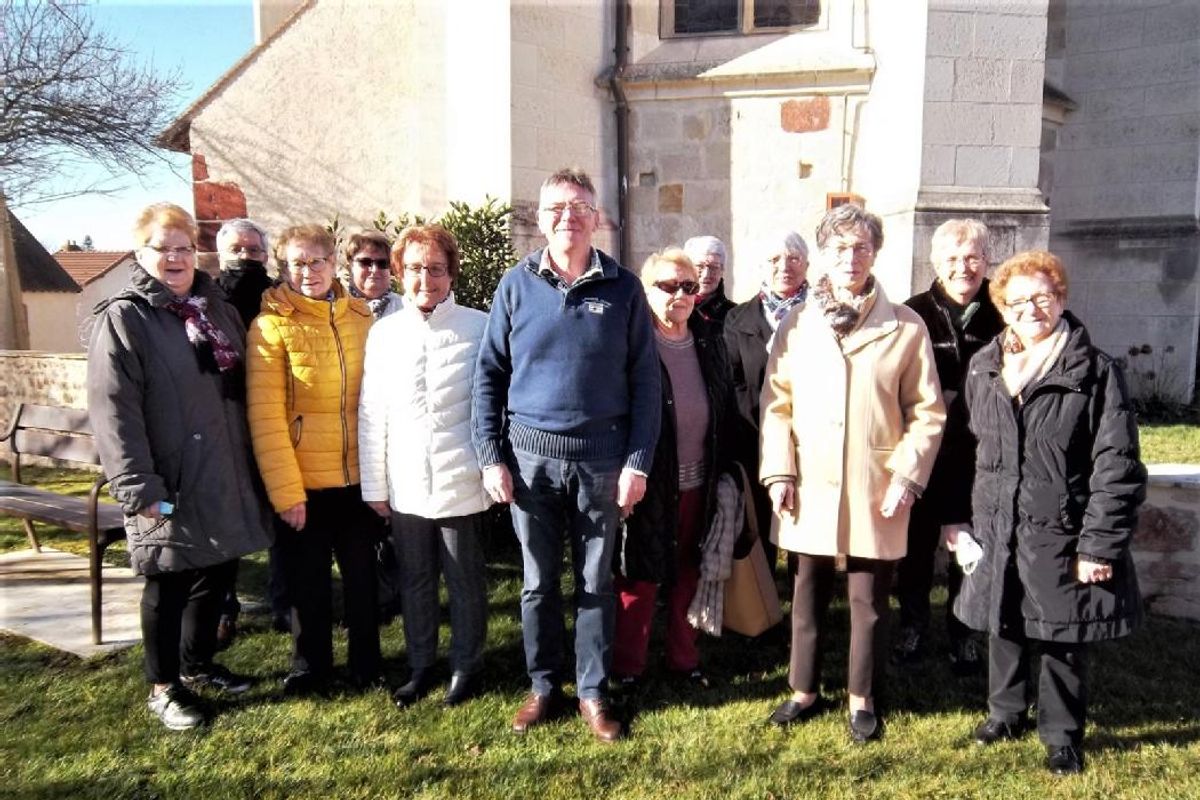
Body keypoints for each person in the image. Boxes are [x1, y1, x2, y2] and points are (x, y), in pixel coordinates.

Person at [473, 168, 661, 742]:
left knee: (596, 581)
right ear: (541, 216)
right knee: (536, 583)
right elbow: (489, 376)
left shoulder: (624, 287)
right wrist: (490, 455)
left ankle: (593, 692)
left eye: (580, 206)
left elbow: (646, 383)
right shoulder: (515, 285)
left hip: (603, 464)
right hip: (531, 465)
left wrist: (637, 463)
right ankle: (542, 685)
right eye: (557, 207)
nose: (568, 217)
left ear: (596, 217)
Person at [954, 250, 1145, 776]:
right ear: (1003, 308)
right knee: (1003, 620)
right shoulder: (985, 366)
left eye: (1042, 296)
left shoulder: (1095, 371)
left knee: (1063, 633)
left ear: (1061, 299)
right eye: (1017, 301)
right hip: (998, 522)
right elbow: (967, 446)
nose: (1030, 308)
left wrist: (1099, 545)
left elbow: (1117, 463)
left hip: (1063, 528)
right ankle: (1005, 713)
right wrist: (963, 521)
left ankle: (1061, 734)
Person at [760, 204, 945, 743]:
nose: (851, 257)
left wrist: (907, 476)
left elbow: (927, 410)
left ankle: (863, 698)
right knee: (807, 592)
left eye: (861, 247)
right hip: (810, 484)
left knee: (868, 600)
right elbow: (776, 404)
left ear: (875, 254)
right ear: (823, 253)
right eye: (840, 247)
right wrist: (779, 471)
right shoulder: (799, 323)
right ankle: (804, 690)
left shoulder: (905, 327)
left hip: (876, 485)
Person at [87, 202, 273, 731]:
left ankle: (199, 665)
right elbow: (113, 409)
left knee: (215, 570)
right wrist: (136, 485)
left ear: (198, 252)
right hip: (165, 476)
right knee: (168, 576)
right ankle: (164, 686)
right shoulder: (124, 317)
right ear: (140, 253)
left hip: (223, 466)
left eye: (184, 247)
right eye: (162, 248)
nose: (174, 257)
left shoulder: (214, 306)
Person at [358, 224, 491, 708]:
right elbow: (372, 413)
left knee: (465, 580)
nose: (425, 279)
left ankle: (465, 664)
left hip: (463, 478)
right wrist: (375, 485)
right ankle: (420, 665)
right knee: (414, 579)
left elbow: (491, 405)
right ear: (399, 272)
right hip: (406, 482)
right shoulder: (384, 333)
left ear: (451, 272)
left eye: (436, 268)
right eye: (414, 268)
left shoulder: (479, 325)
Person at [246, 223, 381, 694]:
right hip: (304, 483)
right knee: (308, 586)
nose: (308, 272)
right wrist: (286, 492)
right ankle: (311, 667)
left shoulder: (362, 319)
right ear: (283, 267)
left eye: (317, 261)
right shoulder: (270, 327)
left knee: (363, 580)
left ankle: (368, 663)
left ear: (333, 263)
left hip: (359, 478)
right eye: (297, 263)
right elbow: (265, 417)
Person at [612, 248, 734, 688]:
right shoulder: (631, 340)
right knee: (638, 575)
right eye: (668, 285)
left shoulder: (708, 336)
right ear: (647, 291)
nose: (680, 294)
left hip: (699, 479)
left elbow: (723, 401)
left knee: (690, 572)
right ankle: (628, 665)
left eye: (688, 286)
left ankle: (684, 659)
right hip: (648, 481)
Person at [893, 219, 1005, 673]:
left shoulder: (1004, 308)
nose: (964, 267)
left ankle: (965, 632)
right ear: (936, 263)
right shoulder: (912, 311)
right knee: (916, 547)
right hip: (927, 450)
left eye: (973, 257)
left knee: (974, 547)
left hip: (984, 452)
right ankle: (913, 627)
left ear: (986, 261)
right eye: (953, 259)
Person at [212, 216, 286, 645]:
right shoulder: (206, 299)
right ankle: (224, 607)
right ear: (222, 254)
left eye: (254, 250)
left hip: (273, 419)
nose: (246, 257)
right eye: (237, 250)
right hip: (226, 424)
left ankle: (283, 601)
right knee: (228, 522)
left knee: (280, 518)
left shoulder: (277, 297)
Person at [723, 230, 809, 568]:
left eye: (793, 258)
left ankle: (806, 609)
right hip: (754, 439)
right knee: (759, 527)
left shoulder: (824, 315)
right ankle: (764, 610)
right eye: (774, 259)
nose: (784, 266)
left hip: (810, 441)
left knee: (806, 531)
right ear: (762, 266)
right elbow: (735, 384)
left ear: (807, 265)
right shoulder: (738, 319)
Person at [341, 228, 404, 319]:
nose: (374, 270)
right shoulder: (334, 308)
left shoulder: (407, 311)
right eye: (365, 262)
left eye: (382, 263)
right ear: (349, 267)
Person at [684, 235, 735, 324]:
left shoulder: (735, 316)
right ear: (687, 268)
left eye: (714, 267)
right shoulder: (676, 308)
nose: (706, 274)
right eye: (699, 266)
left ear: (722, 270)